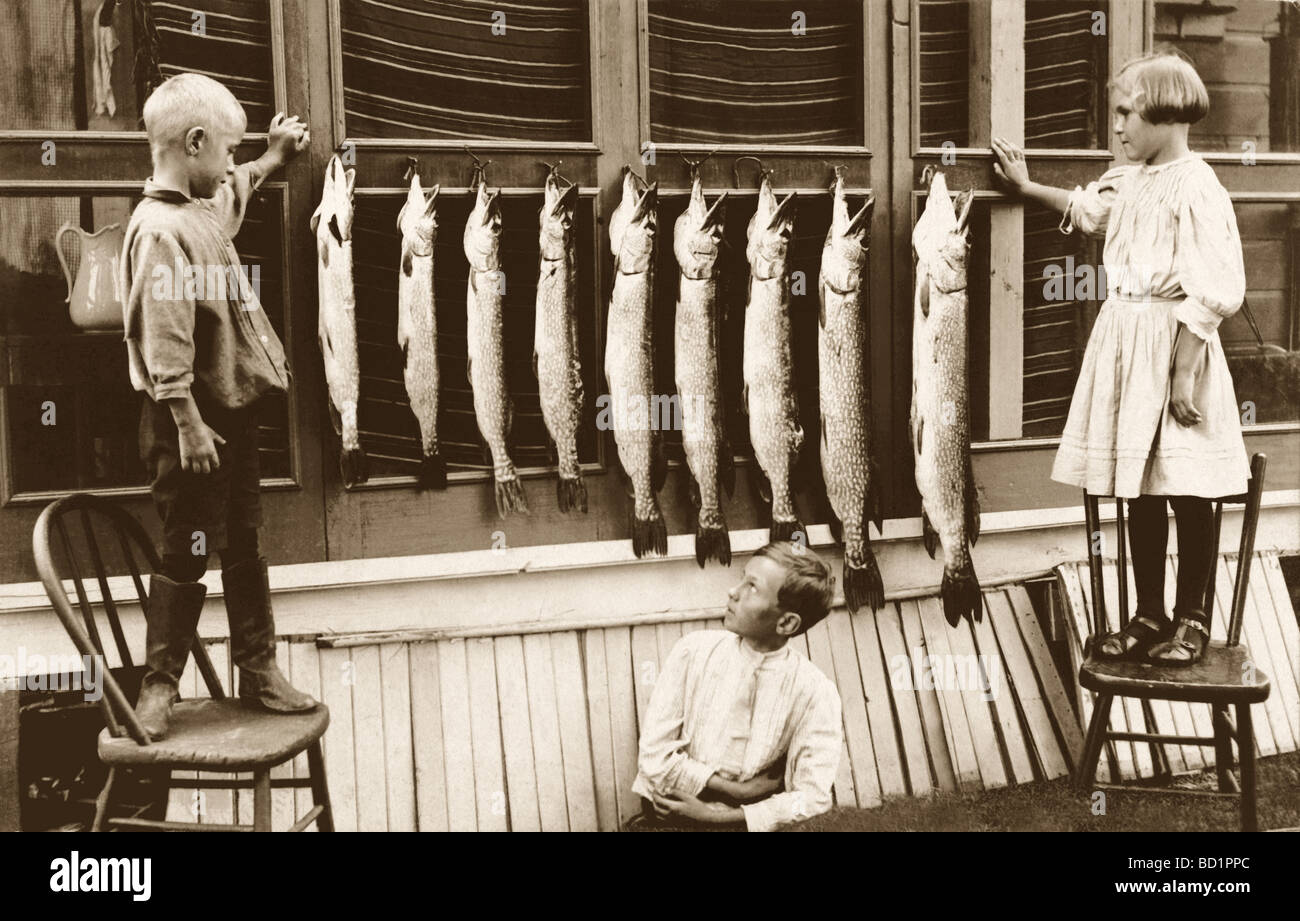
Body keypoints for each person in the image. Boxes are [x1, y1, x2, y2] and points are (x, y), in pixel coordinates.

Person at [992, 51, 1250, 666]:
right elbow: (1088, 210)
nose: (1117, 127)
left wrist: (1183, 372)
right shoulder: (1130, 180)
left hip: (1173, 347)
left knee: (1186, 489)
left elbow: (1215, 286)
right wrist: (1028, 186)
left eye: (1126, 113)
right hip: (1126, 343)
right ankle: (1148, 614)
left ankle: (1191, 618)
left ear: (1164, 115)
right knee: (1140, 490)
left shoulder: (1197, 186)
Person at [121, 73, 316, 739]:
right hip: (189, 426)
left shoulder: (198, 210)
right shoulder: (160, 232)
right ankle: (159, 686)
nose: (233, 164)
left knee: (244, 541)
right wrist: (186, 423)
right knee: (187, 548)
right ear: (195, 142)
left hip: (229, 416)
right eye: (228, 150)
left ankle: (257, 667)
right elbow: (164, 338)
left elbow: (232, 191)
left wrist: (272, 157)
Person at [627, 542, 842, 832]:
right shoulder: (693, 653)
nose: (733, 591)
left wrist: (719, 817)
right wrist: (737, 791)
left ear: (787, 623)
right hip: (668, 820)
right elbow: (654, 758)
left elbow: (812, 798)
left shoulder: (814, 691)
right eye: (742, 577)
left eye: (752, 587)